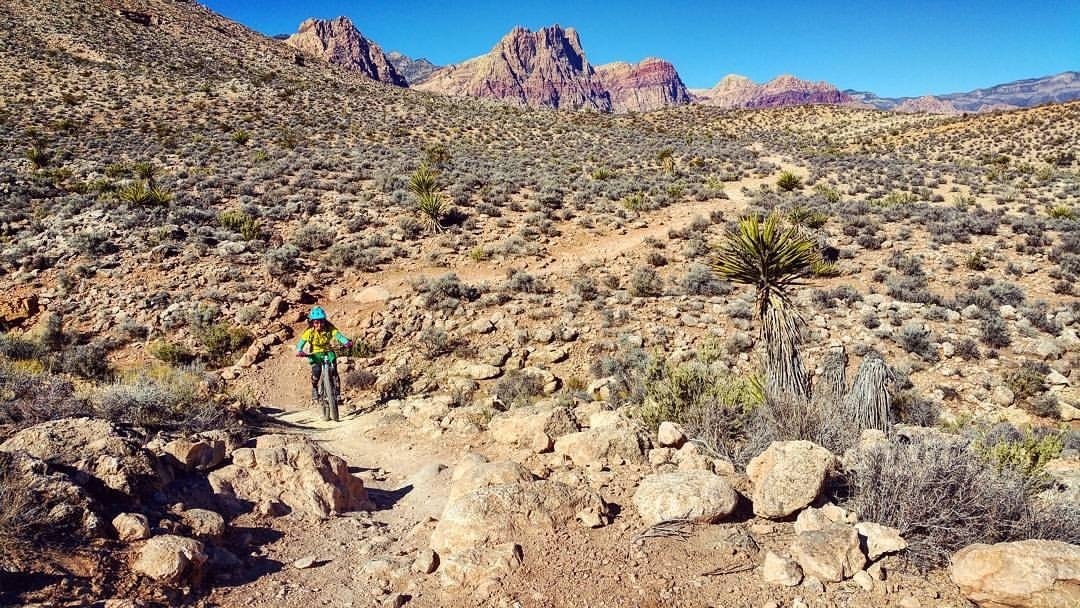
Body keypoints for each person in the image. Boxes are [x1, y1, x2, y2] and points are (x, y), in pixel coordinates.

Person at [295, 307, 352, 405]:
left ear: (324, 321)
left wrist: (346, 342)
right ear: (312, 323)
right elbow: (301, 343)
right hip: (315, 353)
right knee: (316, 371)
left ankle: (337, 394)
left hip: (328, 351)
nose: (319, 325)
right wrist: (299, 350)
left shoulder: (330, 329)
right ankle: (314, 388)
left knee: (334, 371)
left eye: (321, 322)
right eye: (316, 322)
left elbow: (338, 336)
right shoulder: (309, 332)